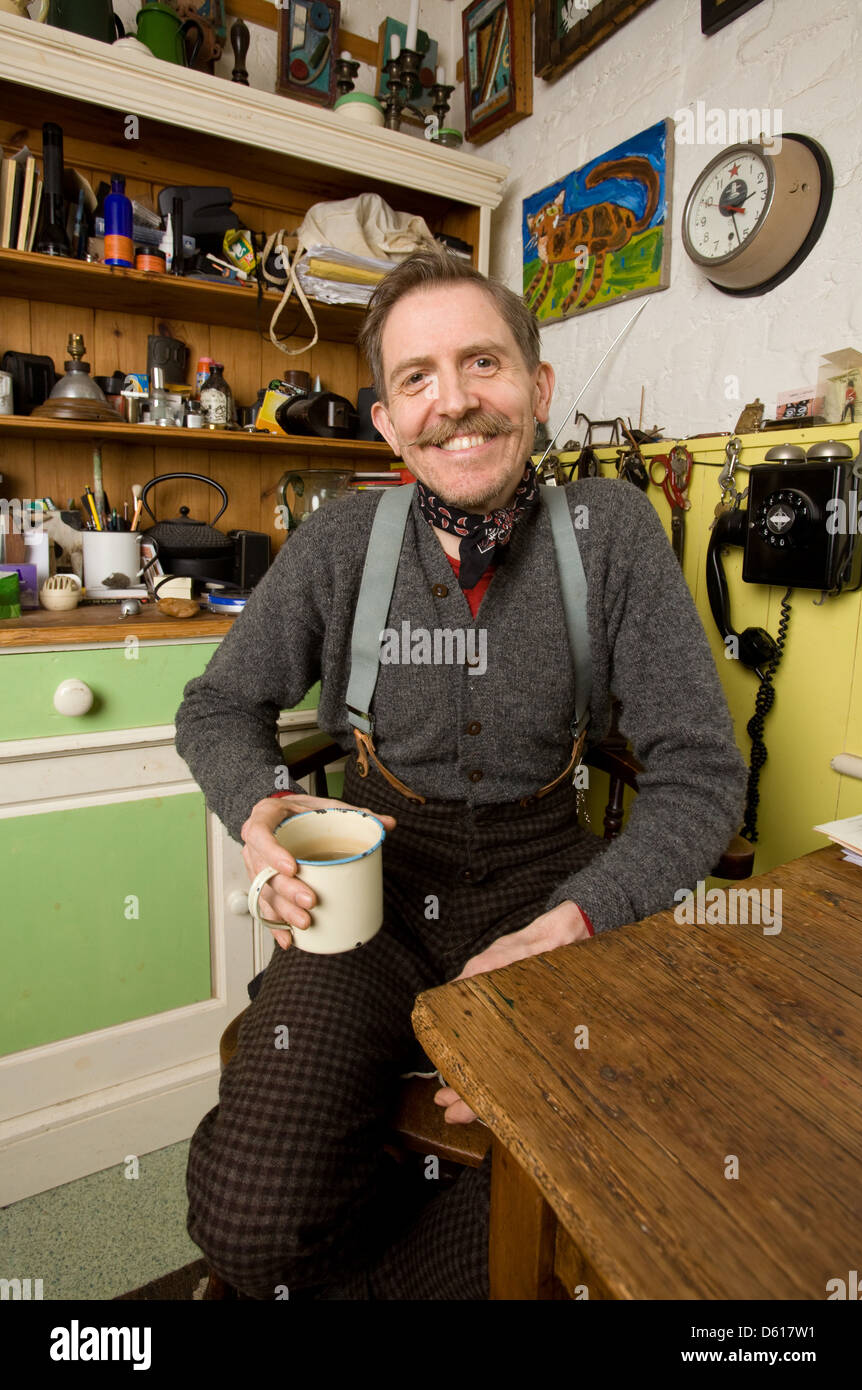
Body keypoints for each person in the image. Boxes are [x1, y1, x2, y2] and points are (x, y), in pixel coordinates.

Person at [174, 246, 747, 1300]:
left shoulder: (608, 529)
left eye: (481, 364)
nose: (454, 402)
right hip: (368, 900)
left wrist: (576, 923)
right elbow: (216, 704)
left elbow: (701, 773)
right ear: (387, 421)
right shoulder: (343, 539)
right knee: (250, 1223)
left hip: (553, 904)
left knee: (595, 1210)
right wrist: (258, 807)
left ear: (534, 389)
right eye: (416, 379)